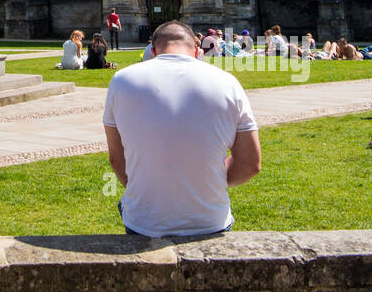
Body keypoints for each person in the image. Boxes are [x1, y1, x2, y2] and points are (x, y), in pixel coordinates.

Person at [102, 20, 261, 238]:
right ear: (197, 51)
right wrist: (208, 176)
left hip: (144, 221)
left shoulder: (121, 80)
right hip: (210, 220)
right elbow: (250, 164)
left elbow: (116, 159)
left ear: (154, 51)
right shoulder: (228, 82)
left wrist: (147, 187)